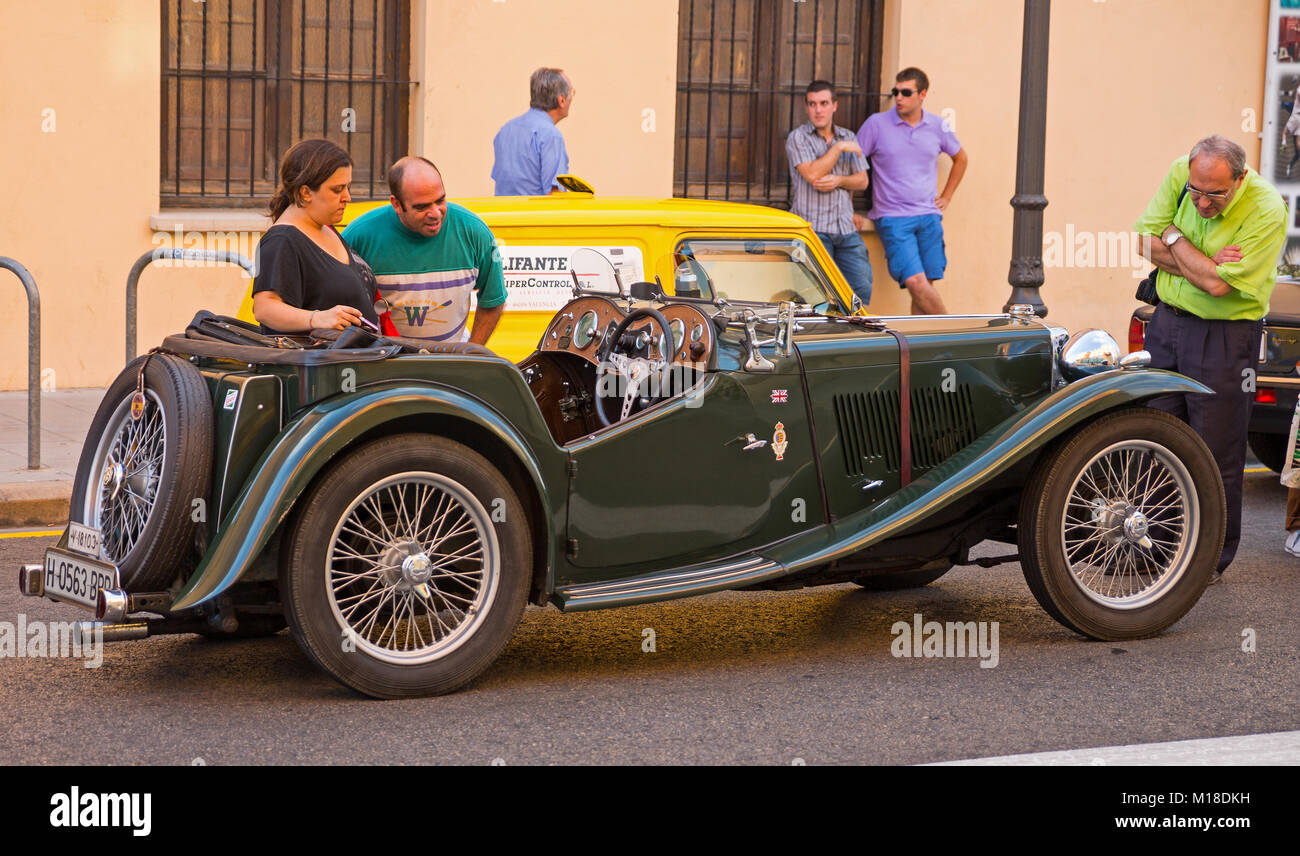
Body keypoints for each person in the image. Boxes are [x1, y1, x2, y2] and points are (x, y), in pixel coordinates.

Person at [1135, 134, 1287, 582]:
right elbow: (1144, 243)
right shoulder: (1184, 168)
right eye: (1195, 191)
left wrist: (1173, 237)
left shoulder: (1266, 208)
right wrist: (1200, 261)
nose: (1201, 201)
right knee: (1156, 436)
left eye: (1214, 194)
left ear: (1239, 179)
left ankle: (1208, 559)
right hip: (1167, 323)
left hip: (1224, 335)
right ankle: (1151, 548)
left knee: (1213, 448)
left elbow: (1219, 287)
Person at [343, 156, 506, 346]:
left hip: (449, 365)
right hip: (384, 368)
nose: (435, 213)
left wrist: (471, 353)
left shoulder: (474, 232)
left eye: (440, 200)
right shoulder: (359, 236)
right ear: (396, 204)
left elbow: (493, 300)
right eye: (421, 207)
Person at [856, 67, 968, 315]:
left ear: (922, 94)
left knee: (924, 286)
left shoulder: (938, 125)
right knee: (916, 282)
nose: (898, 98)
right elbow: (852, 163)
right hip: (893, 218)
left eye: (906, 92)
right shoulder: (876, 124)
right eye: (896, 91)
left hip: (928, 216)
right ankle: (954, 334)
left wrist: (947, 196)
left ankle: (918, 351)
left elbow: (961, 159)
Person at [253, 139, 381, 334]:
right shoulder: (282, 240)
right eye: (337, 190)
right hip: (315, 363)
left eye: (348, 187)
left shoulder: (325, 227)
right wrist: (317, 318)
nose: (347, 197)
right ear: (306, 193)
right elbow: (264, 309)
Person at [785, 80, 872, 305]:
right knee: (816, 299)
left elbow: (862, 181)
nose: (818, 109)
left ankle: (855, 339)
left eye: (824, 103)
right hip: (813, 231)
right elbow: (812, 175)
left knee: (860, 290)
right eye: (812, 104)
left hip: (846, 228)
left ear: (835, 105)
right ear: (807, 107)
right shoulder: (798, 138)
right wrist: (838, 148)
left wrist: (839, 180)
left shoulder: (849, 135)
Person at [491, 67, 574, 196]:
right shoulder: (551, 136)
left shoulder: (506, 130)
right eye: (571, 93)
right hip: (534, 215)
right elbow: (554, 195)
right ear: (561, 100)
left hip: (502, 215)